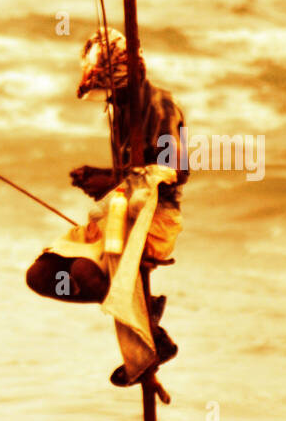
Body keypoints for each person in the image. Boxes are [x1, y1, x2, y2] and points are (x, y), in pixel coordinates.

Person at [25, 27, 186, 376]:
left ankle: (149, 333)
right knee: (41, 274)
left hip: (154, 219)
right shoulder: (120, 113)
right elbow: (132, 170)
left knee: (83, 272)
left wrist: (111, 181)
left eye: (112, 91)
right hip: (121, 210)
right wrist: (100, 175)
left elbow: (174, 170)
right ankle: (142, 312)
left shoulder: (161, 106)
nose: (110, 100)